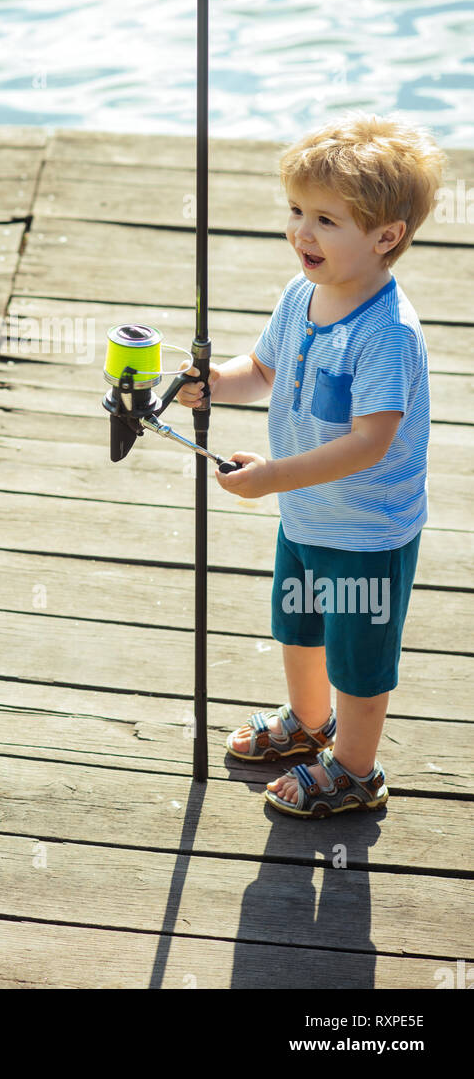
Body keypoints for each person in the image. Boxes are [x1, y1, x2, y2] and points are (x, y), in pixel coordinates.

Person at [176, 112, 446, 817]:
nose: (301, 232)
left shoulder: (385, 333)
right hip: (305, 513)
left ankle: (355, 769)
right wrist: (211, 384)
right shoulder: (300, 295)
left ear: (385, 236)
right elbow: (261, 369)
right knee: (298, 626)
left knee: (357, 658)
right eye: (296, 212)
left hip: (364, 532)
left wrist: (269, 477)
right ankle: (306, 722)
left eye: (325, 220)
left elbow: (367, 444)